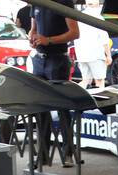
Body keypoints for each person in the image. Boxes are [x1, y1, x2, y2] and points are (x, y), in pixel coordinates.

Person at [28, 0, 81, 165]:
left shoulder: (64, 2)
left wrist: (48, 40)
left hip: (58, 59)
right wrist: (32, 36)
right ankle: (43, 154)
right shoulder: (35, 4)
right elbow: (34, 28)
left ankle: (68, 153)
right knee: (40, 109)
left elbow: (75, 33)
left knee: (62, 107)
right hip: (39, 59)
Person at [73, 8, 111, 89]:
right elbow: (104, 38)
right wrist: (108, 55)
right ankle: (100, 101)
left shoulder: (78, 17)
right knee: (99, 81)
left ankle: (77, 97)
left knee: (86, 81)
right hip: (95, 55)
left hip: (81, 55)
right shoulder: (98, 17)